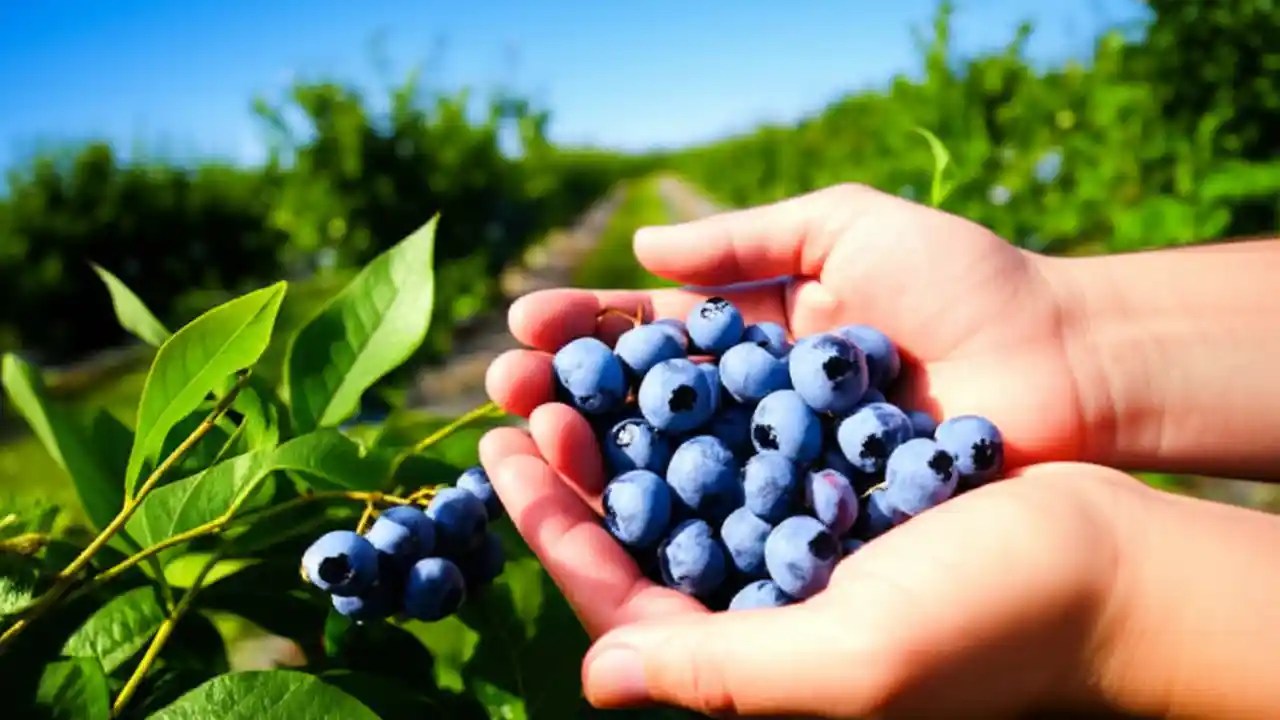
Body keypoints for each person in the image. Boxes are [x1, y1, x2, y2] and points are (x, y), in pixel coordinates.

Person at [479, 183, 1280, 719]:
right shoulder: (759, 426)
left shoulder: (837, 414)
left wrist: (1110, 597)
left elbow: (781, 455)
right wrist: (1070, 330)